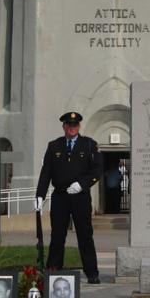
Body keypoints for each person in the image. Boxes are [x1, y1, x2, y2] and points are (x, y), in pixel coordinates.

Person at [36, 111, 102, 284]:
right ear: (64, 126)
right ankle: (53, 270)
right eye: (69, 125)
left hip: (80, 197)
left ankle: (92, 272)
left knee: (85, 235)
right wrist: (40, 195)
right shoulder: (54, 146)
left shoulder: (89, 145)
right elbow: (46, 173)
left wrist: (82, 184)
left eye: (75, 125)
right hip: (60, 197)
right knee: (57, 235)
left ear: (79, 126)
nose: (72, 128)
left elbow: (97, 170)